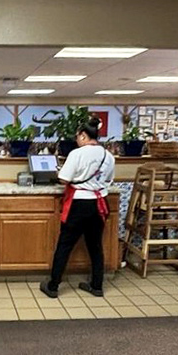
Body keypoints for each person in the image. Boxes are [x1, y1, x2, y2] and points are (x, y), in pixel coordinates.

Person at [39, 120, 115, 300]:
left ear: (83, 135)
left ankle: (53, 286)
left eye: (78, 136)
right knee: (95, 246)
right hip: (99, 203)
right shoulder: (108, 155)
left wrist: (59, 173)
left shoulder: (77, 154)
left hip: (79, 203)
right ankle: (97, 286)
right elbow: (108, 180)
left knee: (65, 245)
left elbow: (64, 179)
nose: (77, 140)